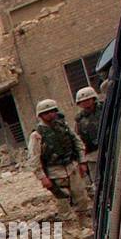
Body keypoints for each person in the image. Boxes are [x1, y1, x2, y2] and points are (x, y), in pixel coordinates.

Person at [27, 98, 93, 229]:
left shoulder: (64, 127)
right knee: (63, 202)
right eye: (46, 113)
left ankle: (84, 224)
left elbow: (78, 144)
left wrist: (82, 162)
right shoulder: (37, 135)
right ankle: (70, 228)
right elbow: (34, 158)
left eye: (52, 111)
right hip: (54, 172)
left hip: (71, 167)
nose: (50, 115)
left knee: (81, 197)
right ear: (40, 115)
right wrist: (43, 177)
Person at [74, 86, 103, 189]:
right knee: (98, 182)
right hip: (92, 155)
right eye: (82, 101)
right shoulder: (79, 119)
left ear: (93, 98)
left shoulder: (104, 110)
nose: (85, 103)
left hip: (109, 148)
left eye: (87, 100)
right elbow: (78, 139)